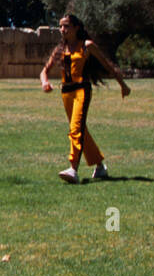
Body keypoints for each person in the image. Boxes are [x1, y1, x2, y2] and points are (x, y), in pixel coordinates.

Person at [40, 13, 130, 183]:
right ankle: (100, 166)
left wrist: (123, 85)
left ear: (76, 28)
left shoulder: (87, 46)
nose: (62, 30)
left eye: (66, 26)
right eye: (60, 26)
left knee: (75, 128)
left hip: (82, 90)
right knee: (82, 131)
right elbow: (44, 71)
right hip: (66, 93)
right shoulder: (60, 50)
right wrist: (45, 83)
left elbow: (107, 65)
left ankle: (73, 168)